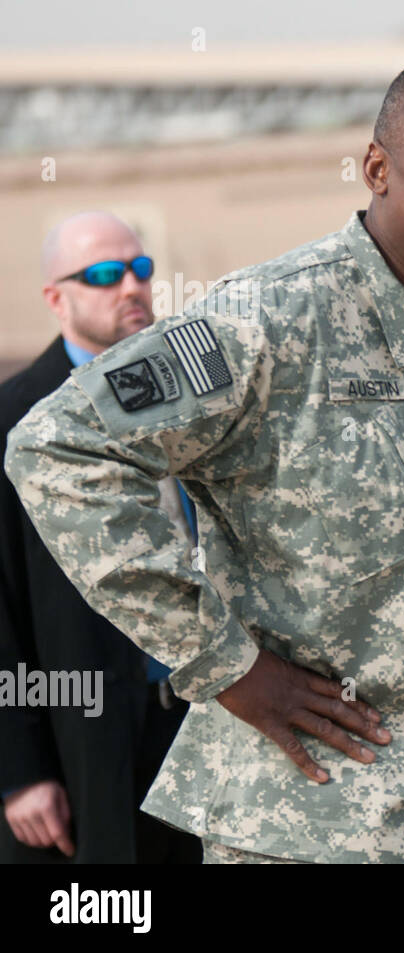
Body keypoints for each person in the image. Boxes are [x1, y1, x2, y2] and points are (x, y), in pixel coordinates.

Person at [5, 56, 404, 864]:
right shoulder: (269, 319)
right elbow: (57, 448)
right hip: (309, 830)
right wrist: (226, 663)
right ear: (378, 168)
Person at [0, 212, 201, 864]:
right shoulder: (14, 418)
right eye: (105, 275)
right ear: (56, 298)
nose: (132, 287)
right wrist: (19, 769)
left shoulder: (198, 398)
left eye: (140, 270)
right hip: (82, 727)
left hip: (208, 712)